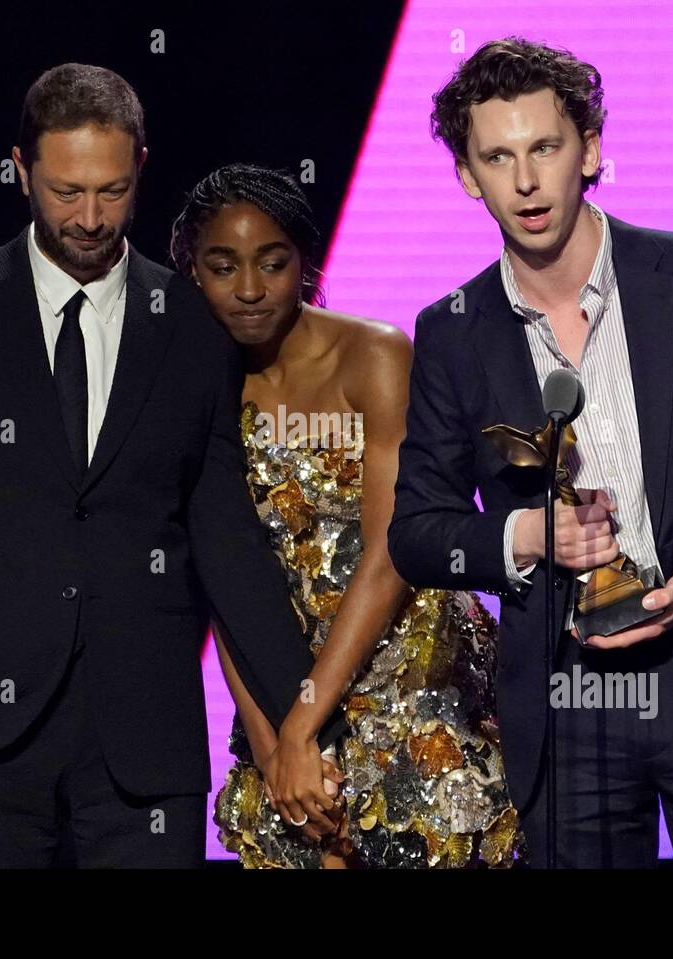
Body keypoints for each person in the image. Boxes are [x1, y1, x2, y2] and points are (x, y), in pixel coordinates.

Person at [0, 64, 344, 868]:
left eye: (112, 191)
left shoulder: (191, 327)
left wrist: (309, 711)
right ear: (21, 170)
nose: (89, 217)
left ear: (142, 167)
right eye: (66, 191)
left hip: (146, 739)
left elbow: (222, 534)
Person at [387, 38, 673, 867]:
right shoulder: (452, 330)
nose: (525, 181)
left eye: (545, 148)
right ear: (466, 174)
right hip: (568, 699)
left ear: (589, 150)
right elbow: (417, 529)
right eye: (497, 156)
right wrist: (529, 538)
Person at [170, 164, 522, 868]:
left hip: (409, 663)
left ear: (304, 262)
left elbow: (392, 548)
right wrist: (272, 741)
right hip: (281, 667)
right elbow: (222, 573)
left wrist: (303, 723)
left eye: (273, 263)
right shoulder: (192, 385)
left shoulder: (374, 354)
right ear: (190, 271)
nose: (248, 289)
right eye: (222, 265)